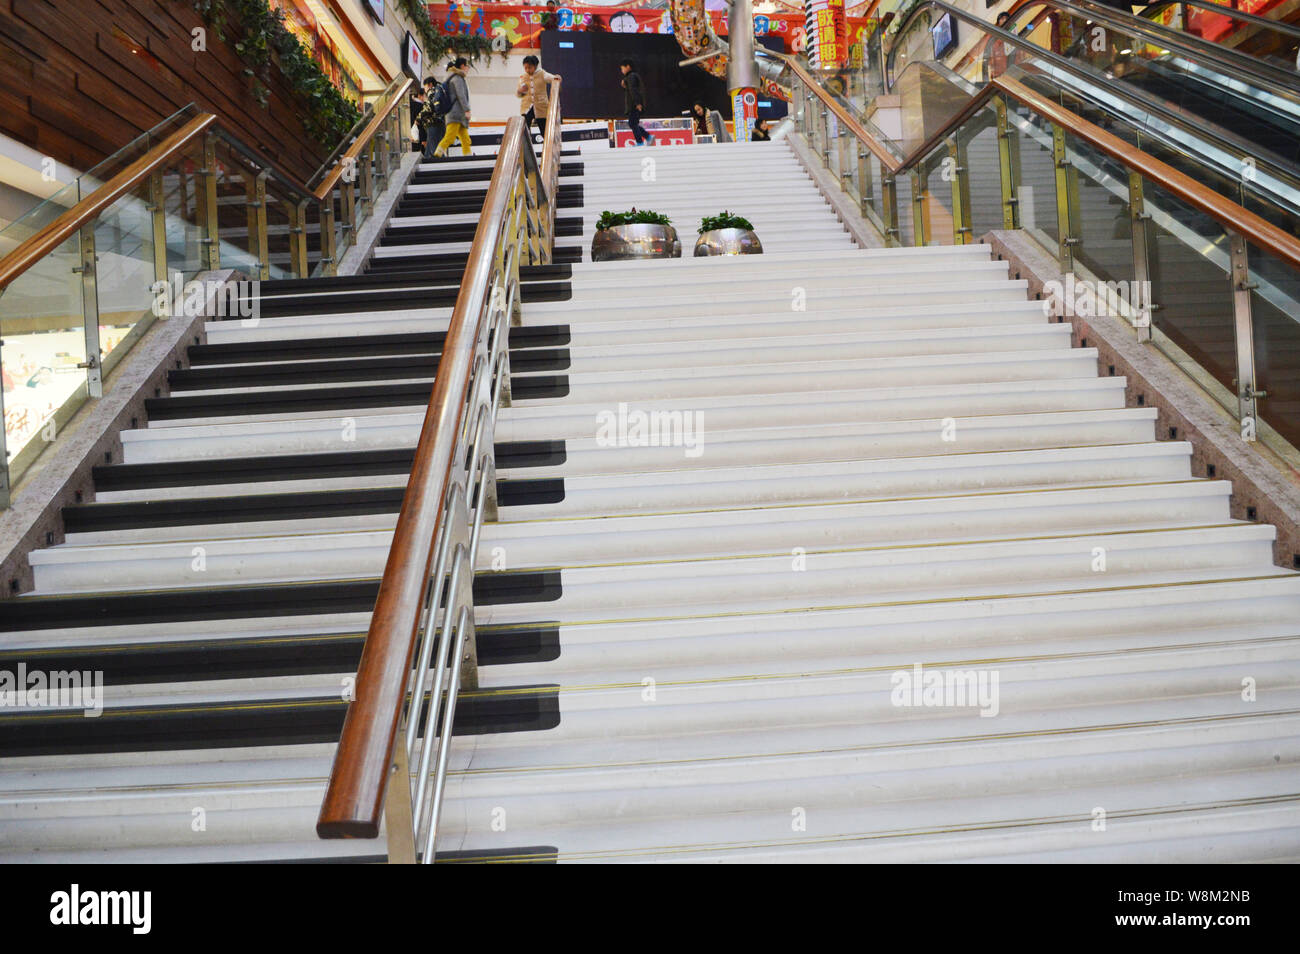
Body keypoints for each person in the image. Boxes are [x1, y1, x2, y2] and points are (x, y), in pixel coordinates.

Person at [433, 59, 473, 157]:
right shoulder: (457, 78)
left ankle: (468, 158)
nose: (468, 69)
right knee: (450, 137)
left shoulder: (454, 77)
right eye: (467, 66)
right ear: (463, 66)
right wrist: (467, 110)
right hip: (455, 114)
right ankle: (437, 155)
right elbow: (461, 95)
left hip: (458, 115)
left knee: (465, 139)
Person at [517, 54, 560, 140]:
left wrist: (556, 78)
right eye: (525, 68)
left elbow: (552, 78)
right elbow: (520, 93)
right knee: (525, 127)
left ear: (535, 66)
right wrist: (520, 91)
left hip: (541, 106)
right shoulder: (523, 77)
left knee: (543, 128)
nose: (527, 70)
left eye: (530, 67)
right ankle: (526, 148)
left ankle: (548, 148)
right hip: (527, 107)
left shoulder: (542, 74)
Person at [619, 59, 655, 146]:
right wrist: (625, 86)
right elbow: (632, 89)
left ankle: (641, 141)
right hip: (634, 104)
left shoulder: (631, 76)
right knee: (633, 123)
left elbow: (633, 90)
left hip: (633, 105)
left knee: (632, 123)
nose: (622, 71)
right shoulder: (631, 77)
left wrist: (638, 103)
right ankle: (647, 137)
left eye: (622, 68)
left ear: (628, 67)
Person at [415, 76, 446, 160]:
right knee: (429, 151)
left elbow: (429, 107)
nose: (424, 89)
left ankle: (442, 167)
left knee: (435, 150)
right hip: (439, 123)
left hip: (433, 124)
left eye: (425, 86)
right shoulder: (440, 90)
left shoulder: (432, 91)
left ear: (429, 84)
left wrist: (418, 118)